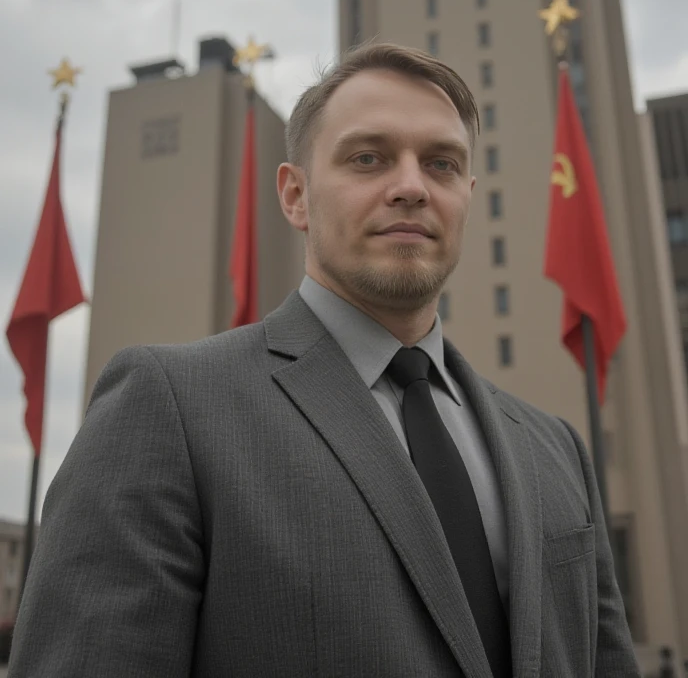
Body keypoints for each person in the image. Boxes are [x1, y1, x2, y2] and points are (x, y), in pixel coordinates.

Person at [10, 43, 640, 677]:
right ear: (295, 195)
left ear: (467, 195)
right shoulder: (170, 409)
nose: (412, 187)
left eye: (441, 164)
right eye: (368, 158)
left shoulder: (556, 450)